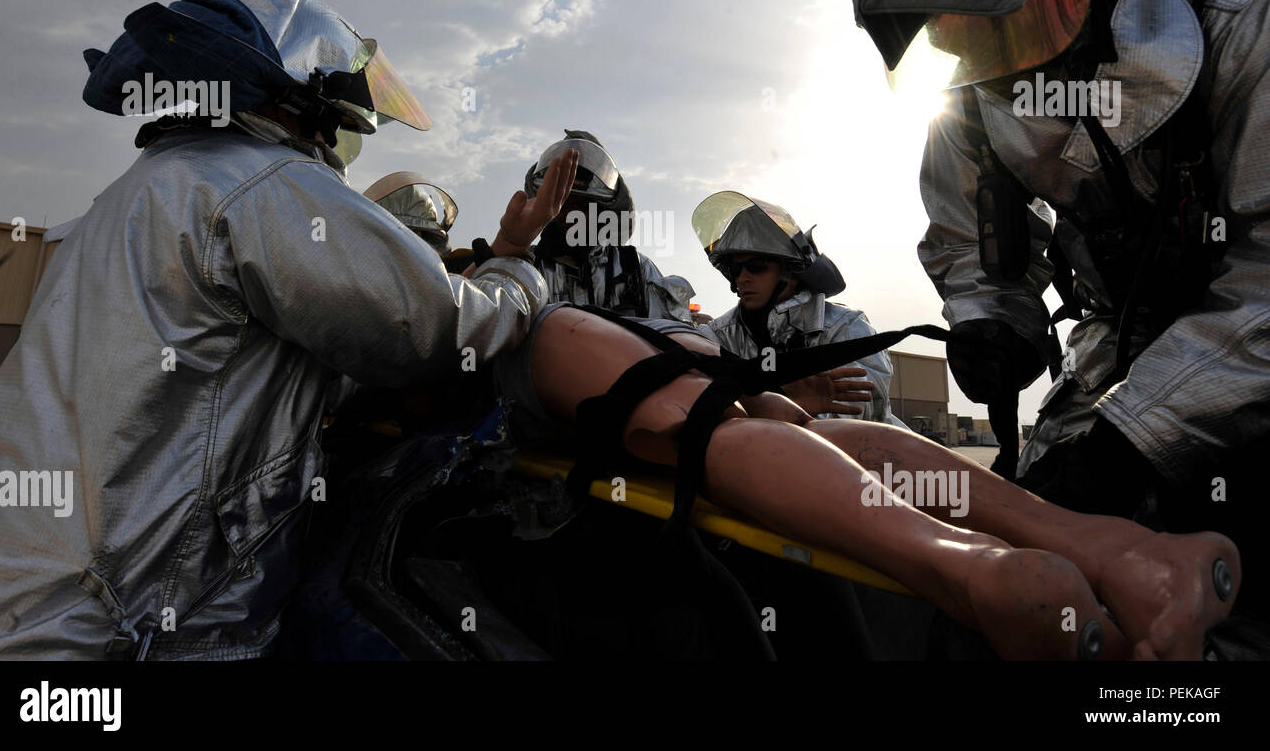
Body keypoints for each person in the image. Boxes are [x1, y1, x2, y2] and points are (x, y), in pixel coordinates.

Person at [0, 0, 578, 659]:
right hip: (118, 631)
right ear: (302, 103)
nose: (334, 150)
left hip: (19, 605)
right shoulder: (261, 182)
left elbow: (232, 375)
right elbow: (435, 329)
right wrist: (517, 266)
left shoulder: (138, 193)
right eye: (340, 127)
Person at [835, 0, 1270, 640]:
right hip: (1118, 355)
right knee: (1029, 557)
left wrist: (1134, 439)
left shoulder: (1248, 28)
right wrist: (991, 320)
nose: (1001, 60)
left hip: (1245, 370)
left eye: (1020, 17)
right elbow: (971, 247)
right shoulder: (968, 99)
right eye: (966, 36)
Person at [490, 302, 1241, 660]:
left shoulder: (819, 317)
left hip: (582, 349)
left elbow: (431, 319)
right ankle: (1131, 556)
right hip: (675, 360)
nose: (744, 279)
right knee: (784, 433)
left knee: (715, 433)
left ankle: (974, 570)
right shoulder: (701, 315)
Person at [693, 191, 902, 425]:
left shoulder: (846, 327)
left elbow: (869, 405)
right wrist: (780, 400)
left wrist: (800, 411)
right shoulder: (715, 336)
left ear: (790, 271)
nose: (743, 278)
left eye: (756, 266)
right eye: (735, 269)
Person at [525, 130, 696, 322]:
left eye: (583, 205)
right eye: (564, 203)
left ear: (600, 208)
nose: (572, 214)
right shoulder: (526, 268)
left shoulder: (635, 268)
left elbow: (666, 336)